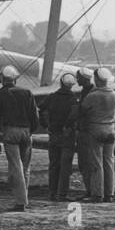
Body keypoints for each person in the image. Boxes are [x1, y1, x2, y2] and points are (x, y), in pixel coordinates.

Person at [0, 65, 39, 211]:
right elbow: (34, 116)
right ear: (15, 79)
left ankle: (20, 202)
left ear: (2, 79)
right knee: (25, 167)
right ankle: (24, 199)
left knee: (15, 167)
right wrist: (30, 131)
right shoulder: (27, 93)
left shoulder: (0, 95)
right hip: (26, 132)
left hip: (10, 132)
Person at [78, 67, 115, 203]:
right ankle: (109, 194)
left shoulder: (93, 96)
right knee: (109, 162)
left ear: (96, 79)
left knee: (96, 163)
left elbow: (82, 110)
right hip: (110, 130)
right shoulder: (114, 94)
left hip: (96, 129)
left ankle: (97, 194)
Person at [40, 72, 80, 201]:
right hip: (67, 136)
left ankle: (52, 192)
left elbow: (40, 109)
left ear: (61, 83)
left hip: (53, 134)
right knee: (65, 166)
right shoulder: (73, 99)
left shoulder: (52, 97)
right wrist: (67, 126)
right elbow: (74, 115)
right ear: (71, 85)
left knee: (53, 164)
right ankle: (62, 194)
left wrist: (46, 125)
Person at [71, 67, 95, 194]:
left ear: (84, 79)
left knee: (85, 163)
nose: (77, 80)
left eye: (78, 78)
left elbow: (81, 112)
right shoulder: (88, 91)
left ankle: (91, 190)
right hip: (86, 131)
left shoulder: (89, 94)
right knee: (86, 163)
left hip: (86, 132)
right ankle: (91, 190)